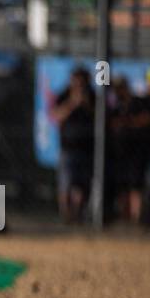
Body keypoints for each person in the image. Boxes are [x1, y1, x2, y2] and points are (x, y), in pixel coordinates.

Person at [50, 67, 95, 223]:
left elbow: (102, 119)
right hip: (68, 148)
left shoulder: (93, 96)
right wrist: (73, 103)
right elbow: (55, 116)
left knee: (81, 185)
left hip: (87, 148)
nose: (79, 85)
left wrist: (86, 104)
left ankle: (77, 215)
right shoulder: (64, 95)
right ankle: (66, 215)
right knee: (66, 183)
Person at [108, 76, 150, 222]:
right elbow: (112, 124)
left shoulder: (139, 102)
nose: (117, 92)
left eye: (119, 88)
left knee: (136, 186)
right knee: (122, 187)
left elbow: (146, 119)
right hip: (121, 153)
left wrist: (127, 123)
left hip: (139, 152)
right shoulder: (117, 106)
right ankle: (125, 217)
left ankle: (136, 218)